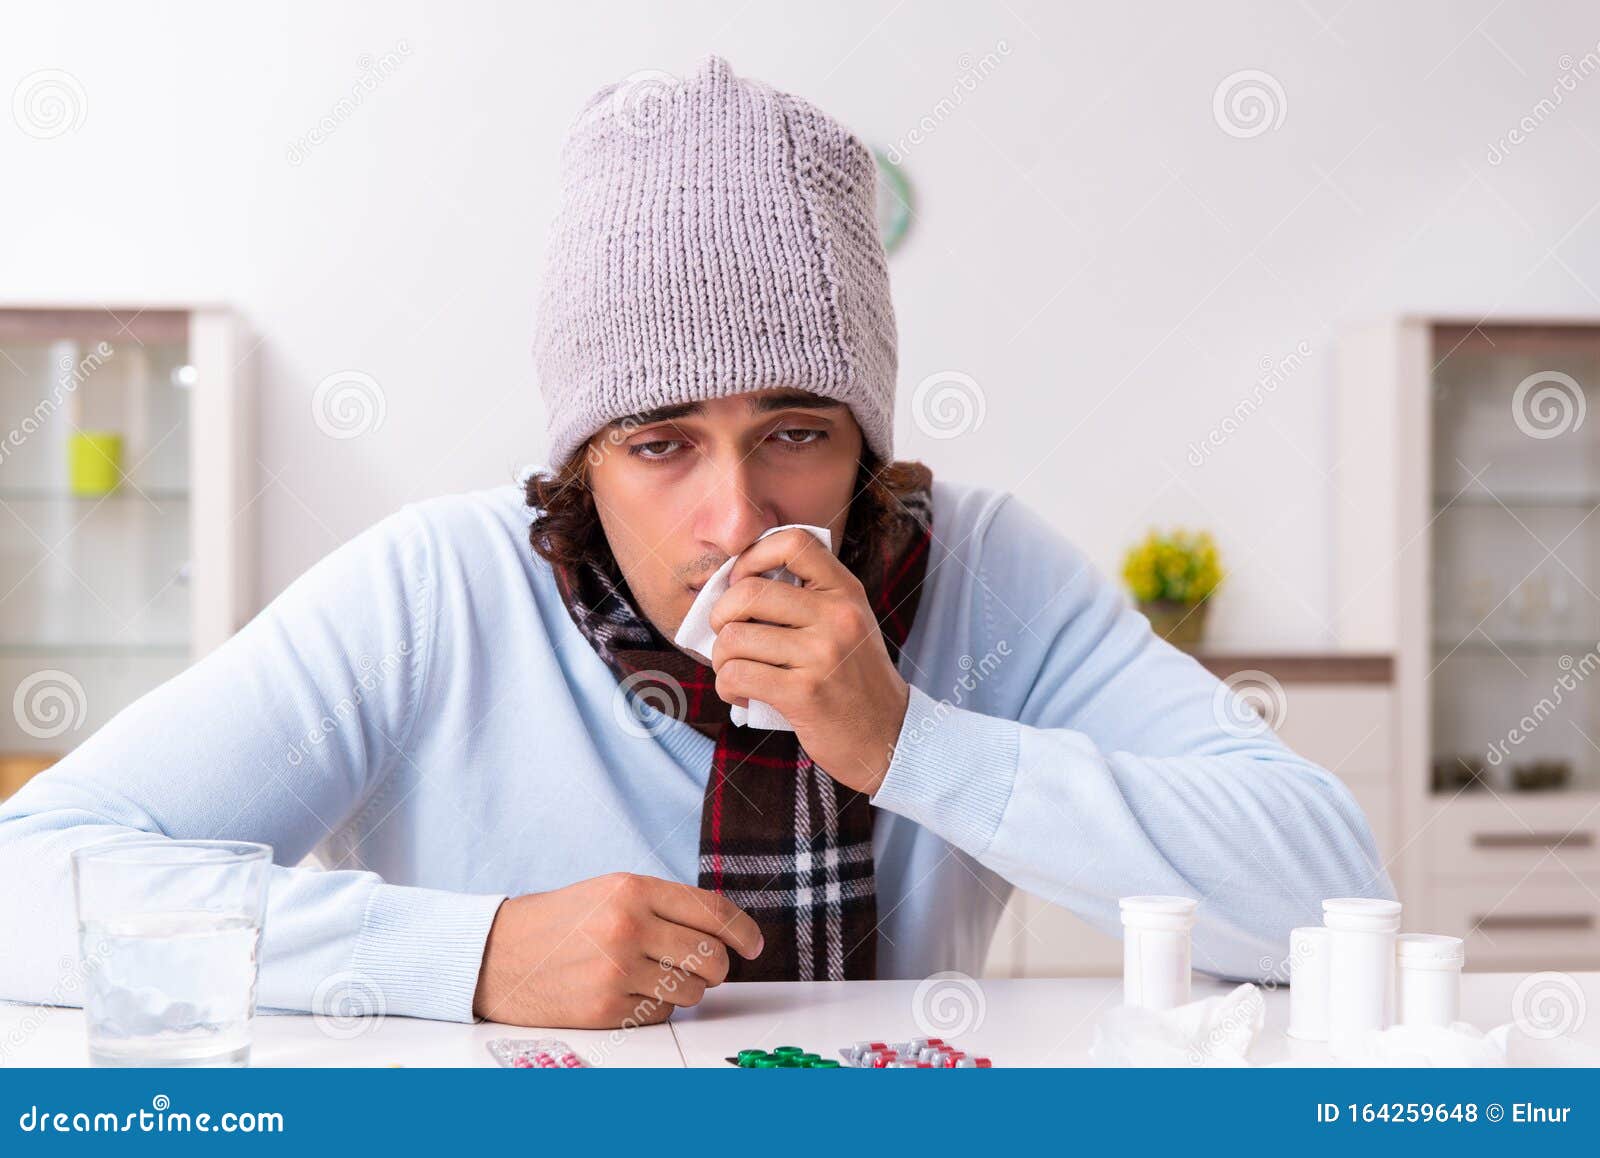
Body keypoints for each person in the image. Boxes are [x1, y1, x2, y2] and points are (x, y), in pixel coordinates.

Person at [0, 55, 1392, 1030]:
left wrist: (914, 743)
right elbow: (27, 885)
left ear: (868, 441)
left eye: (796, 430)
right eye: (661, 442)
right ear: (583, 462)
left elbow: (1336, 899)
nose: (737, 516)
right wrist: (469, 951)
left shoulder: (981, 574)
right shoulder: (438, 587)